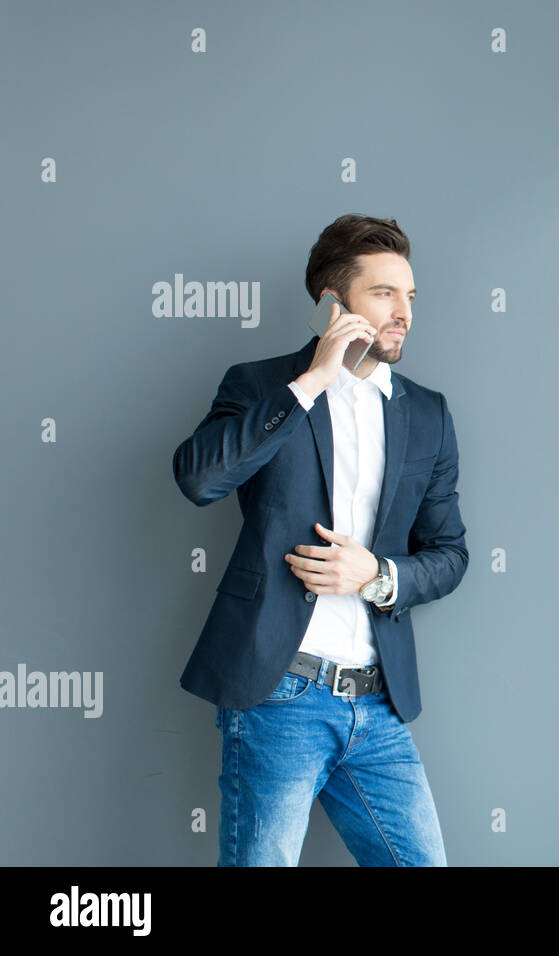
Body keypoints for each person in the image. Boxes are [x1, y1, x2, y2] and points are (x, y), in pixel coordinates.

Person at [171, 214, 469, 865]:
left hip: (380, 706)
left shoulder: (427, 412)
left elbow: (449, 554)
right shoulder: (260, 386)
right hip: (281, 694)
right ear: (334, 303)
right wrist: (310, 381)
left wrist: (378, 575)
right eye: (384, 293)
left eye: (410, 296)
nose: (403, 313)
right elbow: (200, 479)